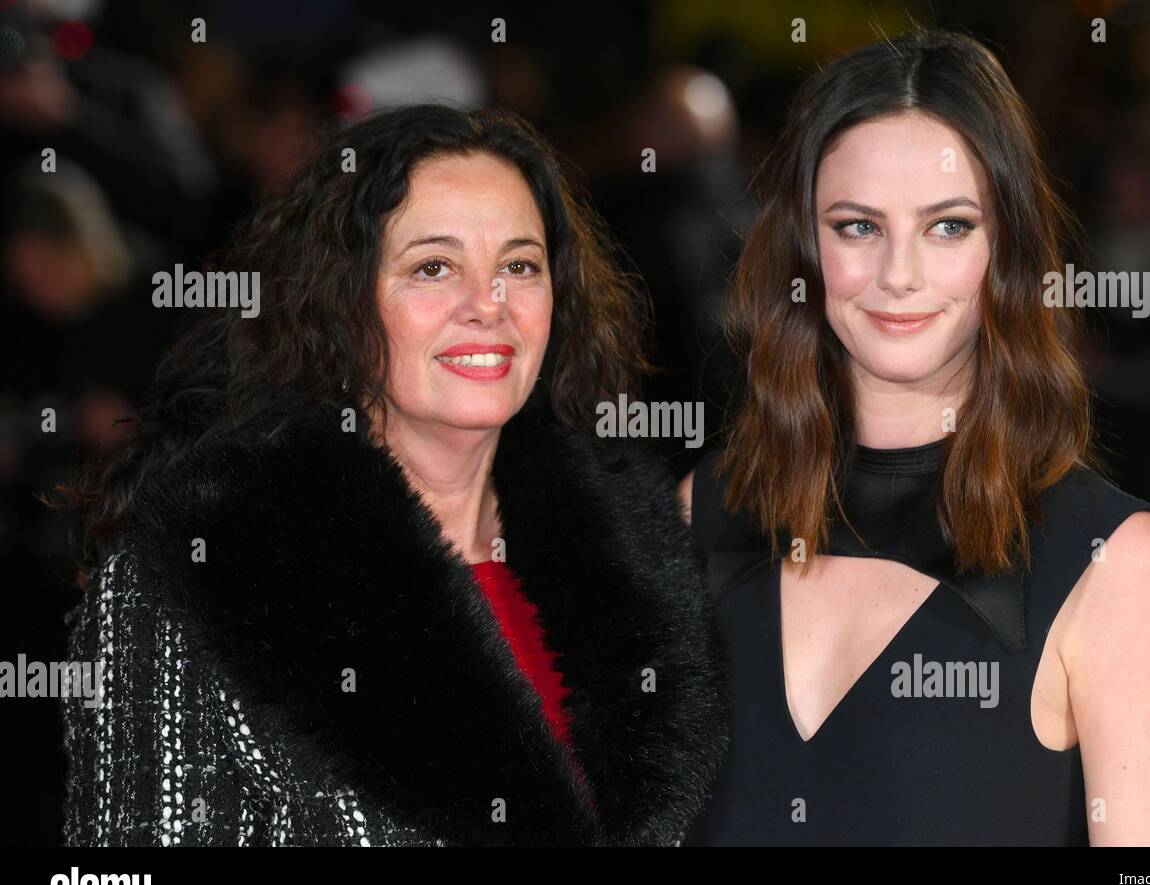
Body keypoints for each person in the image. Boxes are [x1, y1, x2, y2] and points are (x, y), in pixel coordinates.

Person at [57, 104, 728, 846]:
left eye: (519, 266)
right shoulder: (198, 576)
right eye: (433, 267)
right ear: (342, 304)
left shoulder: (643, 547)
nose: (489, 306)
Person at [678, 30, 1150, 845]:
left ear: (1008, 248)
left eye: (949, 226)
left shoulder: (1111, 563)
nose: (900, 274)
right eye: (858, 226)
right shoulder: (704, 513)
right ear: (804, 246)